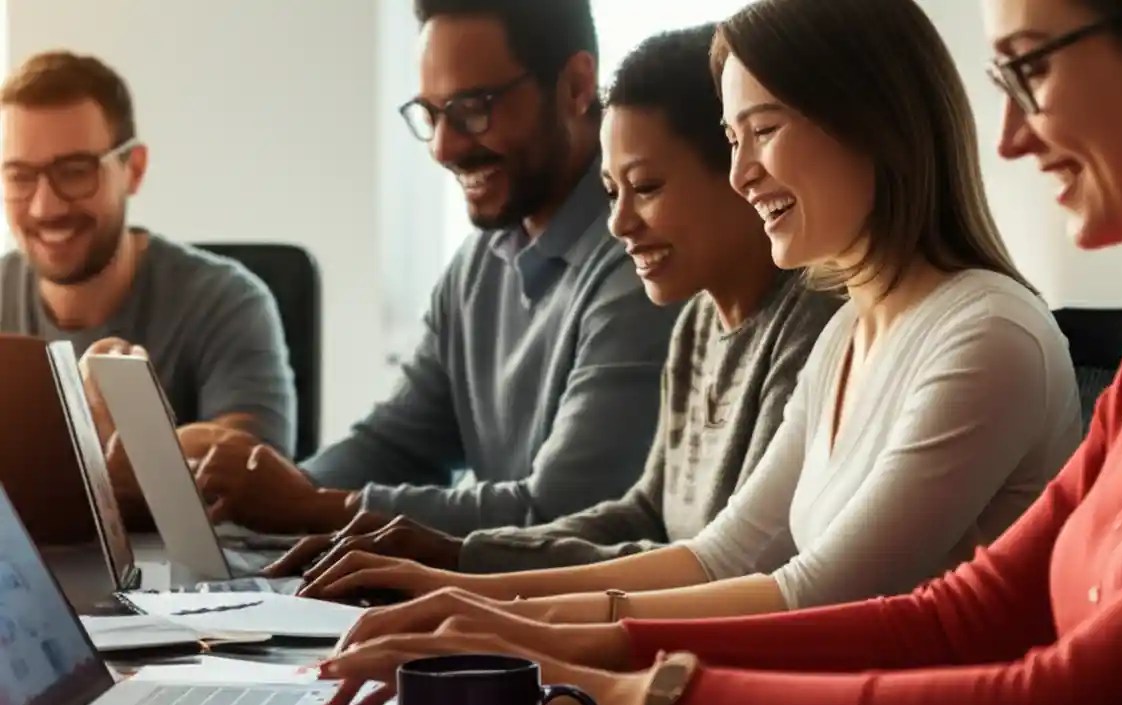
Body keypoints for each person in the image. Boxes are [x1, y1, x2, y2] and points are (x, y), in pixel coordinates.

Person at [318, 0, 1122, 705]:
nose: (1014, 136)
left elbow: (1060, 691)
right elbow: (953, 615)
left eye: (1029, 71)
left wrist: (622, 685)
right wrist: (527, 632)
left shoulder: (993, 334)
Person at [300, 0, 1079, 636]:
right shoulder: (850, 330)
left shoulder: (985, 336)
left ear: (873, 121)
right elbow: (719, 554)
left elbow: (811, 597)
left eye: (763, 133)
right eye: (734, 139)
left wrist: (515, 620)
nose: (742, 175)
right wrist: (461, 590)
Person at [261, 24, 841, 582]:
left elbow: (723, 563)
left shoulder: (812, 325)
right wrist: (457, 555)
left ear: (741, 175)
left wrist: (468, 572)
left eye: (647, 188)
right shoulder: (695, 324)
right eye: (612, 192)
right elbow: (642, 514)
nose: (619, 224)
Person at [194, 0, 683, 536]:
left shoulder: (646, 262)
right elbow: (397, 443)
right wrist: (256, 496)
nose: (444, 147)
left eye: (473, 108)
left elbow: (563, 512)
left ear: (575, 86)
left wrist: (311, 508)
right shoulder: (479, 265)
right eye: (431, 114)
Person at [0, 50, 296, 527]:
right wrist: (125, 454)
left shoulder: (227, 299)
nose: (44, 206)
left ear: (133, 169)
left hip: (191, 593)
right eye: (18, 176)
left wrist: (121, 440)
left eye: (75, 171)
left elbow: (250, 474)